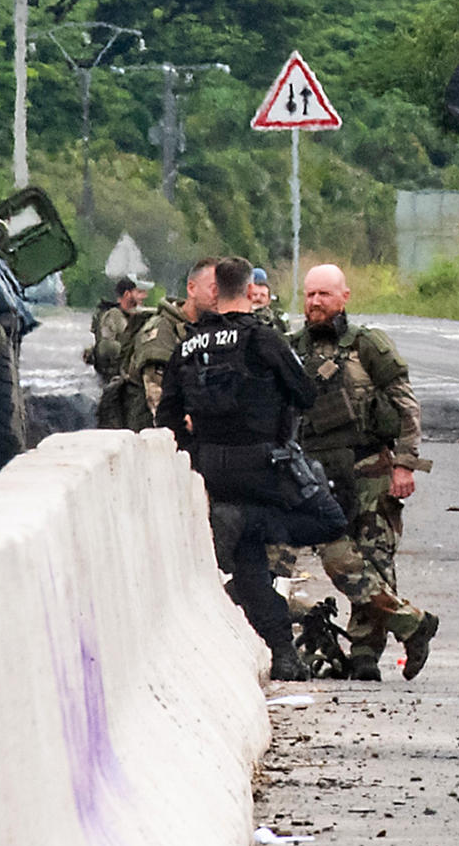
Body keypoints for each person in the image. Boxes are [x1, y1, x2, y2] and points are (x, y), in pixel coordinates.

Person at [289, 261, 438, 681]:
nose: (316, 303)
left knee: (374, 556)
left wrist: (405, 464)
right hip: (316, 470)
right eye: (310, 294)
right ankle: (411, 625)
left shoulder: (368, 344)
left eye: (325, 294)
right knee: (340, 557)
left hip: (370, 465)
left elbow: (406, 405)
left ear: (344, 297)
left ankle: (365, 652)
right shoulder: (292, 347)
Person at [168, 258, 320, 670]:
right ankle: (283, 648)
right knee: (323, 524)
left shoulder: (188, 345)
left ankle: (281, 651)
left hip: (211, 469)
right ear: (250, 287)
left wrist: (195, 446)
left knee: (248, 560)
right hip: (261, 468)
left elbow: (166, 416)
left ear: (214, 290)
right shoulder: (265, 340)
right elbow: (305, 394)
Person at [88, 273, 176, 432]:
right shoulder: (113, 316)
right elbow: (107, 350)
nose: (144, 296)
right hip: (114, 382)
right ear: (127, 294)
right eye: (140, 292)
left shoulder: (139, 316)